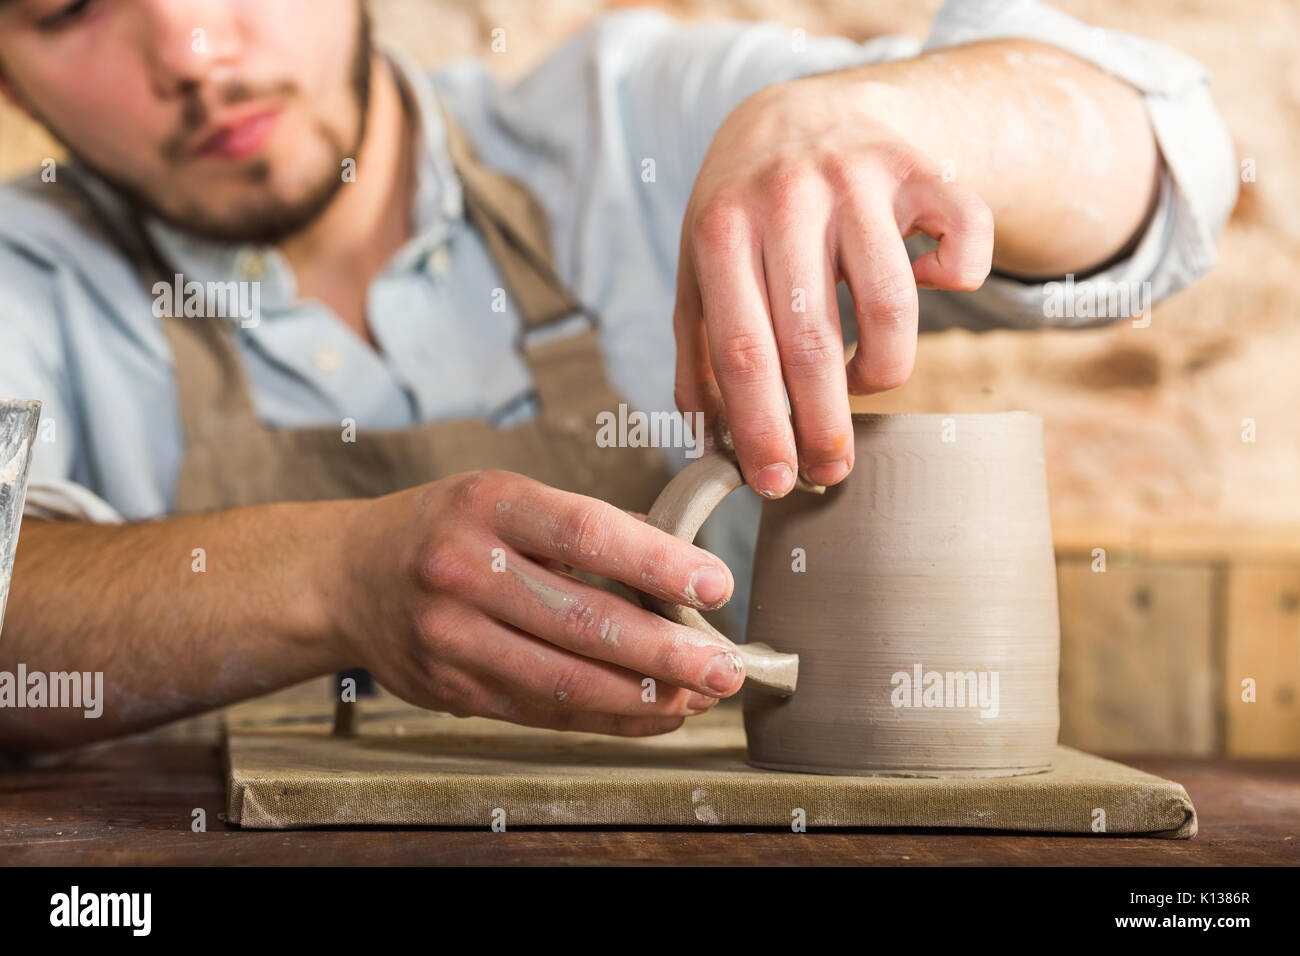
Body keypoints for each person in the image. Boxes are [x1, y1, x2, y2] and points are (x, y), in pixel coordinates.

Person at [0, 0, 1235, 751]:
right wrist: (334, 577)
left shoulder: (629, 123)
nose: (194, 51)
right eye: (67, 9)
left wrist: (893, 122)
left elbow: (1167, 172)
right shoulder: (27, 269)